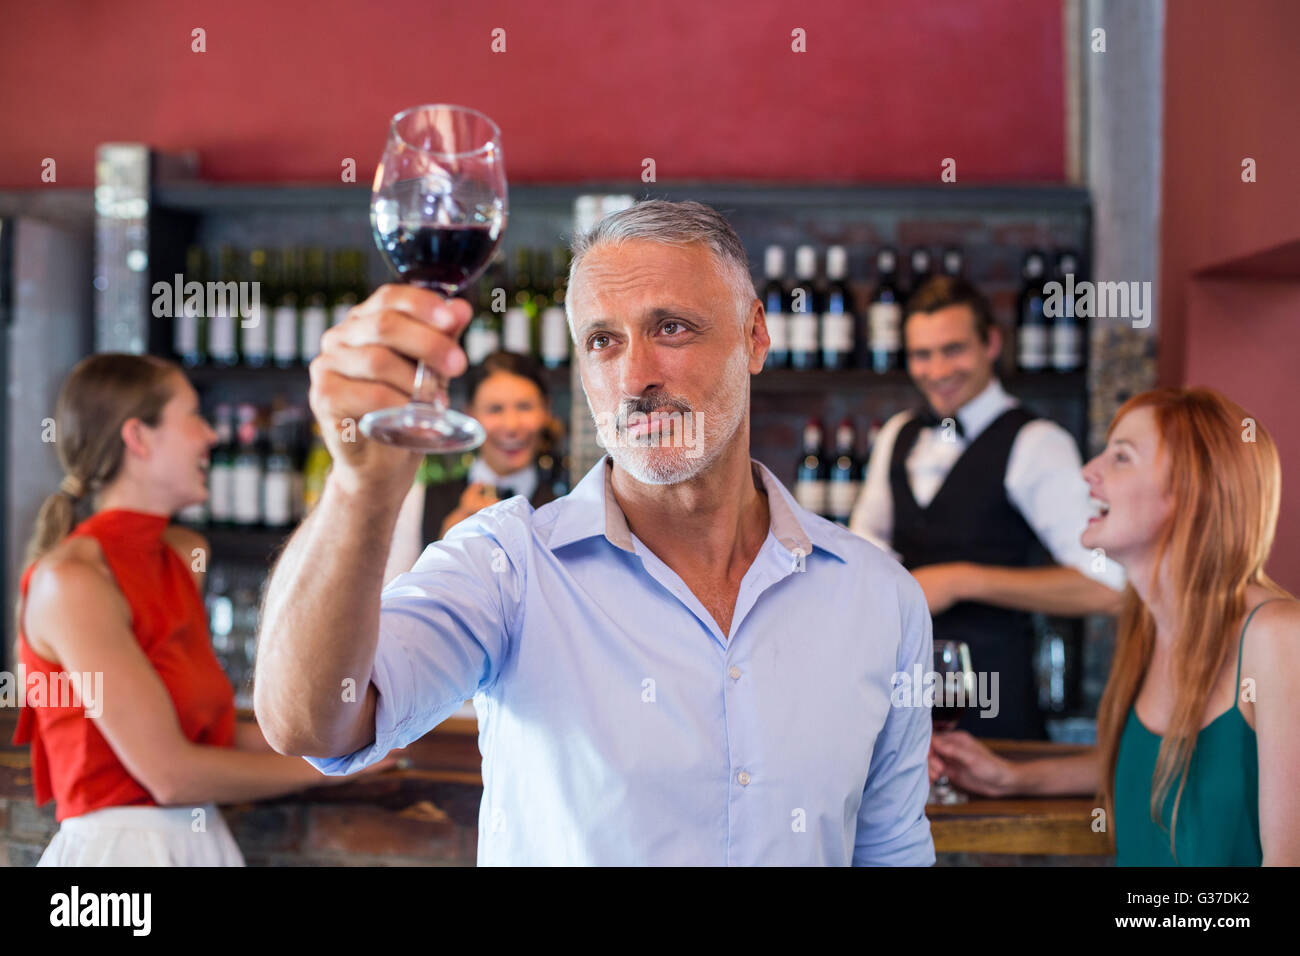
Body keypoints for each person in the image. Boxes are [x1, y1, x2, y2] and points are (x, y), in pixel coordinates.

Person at [256, 199, 936, 866]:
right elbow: (310, 722)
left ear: (755, 336)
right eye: (602, 341)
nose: (634, 378)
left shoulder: (878, 596)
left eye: (671, 328)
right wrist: (358, 488)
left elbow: (890, 850)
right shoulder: (508, 565)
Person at [10, 353, 389, 866]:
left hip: (196, 841)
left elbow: (214, 733)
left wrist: (355, 739)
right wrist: (338, 766)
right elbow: (171, 775)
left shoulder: (181, 556)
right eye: (193, 416)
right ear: (137, 438)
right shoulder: (70, 580)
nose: (210, 436)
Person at [928, 387, 1300, 866]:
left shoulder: (1278, 637)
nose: (1089, 471)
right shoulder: (1149, 629)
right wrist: (1015, 778)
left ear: (1195, 491)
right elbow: (1162, 763)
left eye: (1121, 457)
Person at [849, 275, 1126, 740]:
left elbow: (1110, 585)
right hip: (899, 708)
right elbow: (863, 549)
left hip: (996, 707)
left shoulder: (1037, 443)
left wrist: (962, 580)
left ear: (991, 344)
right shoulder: (898, 433)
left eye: (953, 349)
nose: (936, 371)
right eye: (922, 354)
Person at [383, 350, 559, 585]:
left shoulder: (566, 505)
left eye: (525, 407)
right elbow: (390, 606)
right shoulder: (419, 501)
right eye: (495, 409)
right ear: (470, 415)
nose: (511, 426)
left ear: (546, 411)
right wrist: (444, 548)